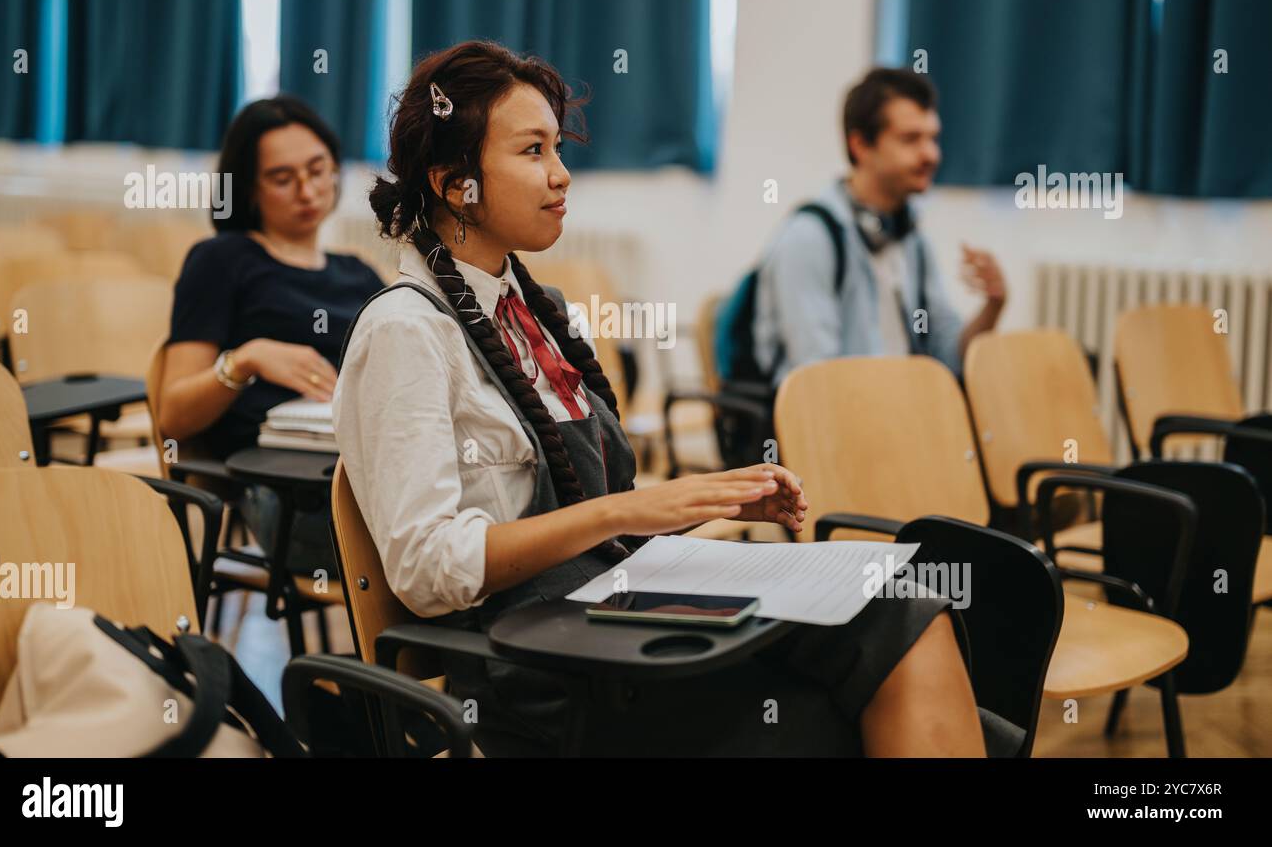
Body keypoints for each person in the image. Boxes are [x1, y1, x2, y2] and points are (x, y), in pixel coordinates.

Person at [335, 40, 1017, 757]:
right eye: (533, 152)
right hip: (541, 676)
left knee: (898, 606)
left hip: (607, 627)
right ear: (454, 184)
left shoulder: (533, 312)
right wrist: (627, 511)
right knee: (862, 707)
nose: (563, 175)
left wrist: (707, 502)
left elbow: (588, 519)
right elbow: (427, 573)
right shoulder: (406, 332)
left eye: (558, 148)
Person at [159, 95, 384, 574]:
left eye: (318, 169)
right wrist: (245, 360)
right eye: (283, 178)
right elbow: (173, 413)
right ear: (249, 190)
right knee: (453, 544)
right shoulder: (221, 260)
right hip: (289, 495)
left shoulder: (358, 274)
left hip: (367, 468)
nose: (307, 190)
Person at [754, 68, 1006, 386]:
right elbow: (818, 387)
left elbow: (949, 357)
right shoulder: (810, 238)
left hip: (900, 418)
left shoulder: (910, 239)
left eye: (933, 138)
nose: (931, 154)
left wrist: (993, 305)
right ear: (860, 145)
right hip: (842, 426)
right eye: (911, 139)